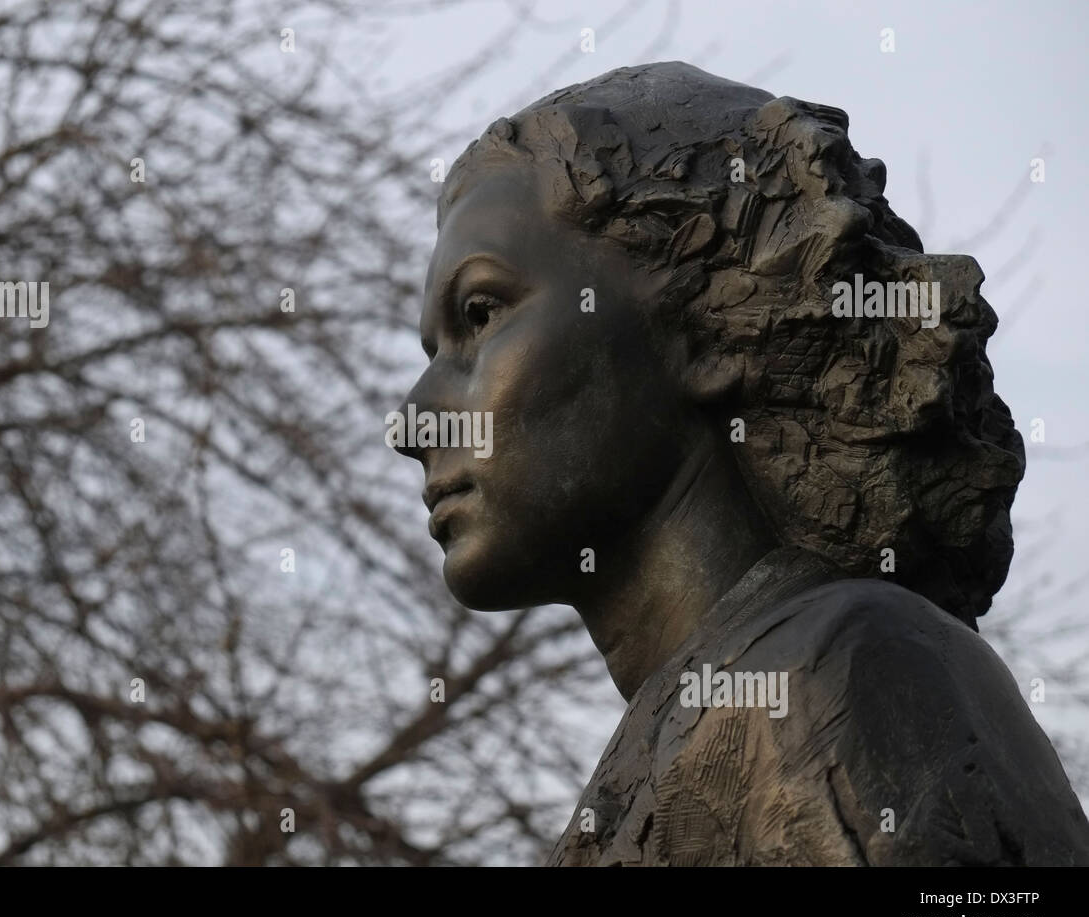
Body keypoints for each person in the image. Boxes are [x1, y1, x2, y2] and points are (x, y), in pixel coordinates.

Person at [392, 62, 1089, 865]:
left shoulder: (845, 673)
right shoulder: (665, 754)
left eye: (481, 314)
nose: (411, 421)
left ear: (700, 324)